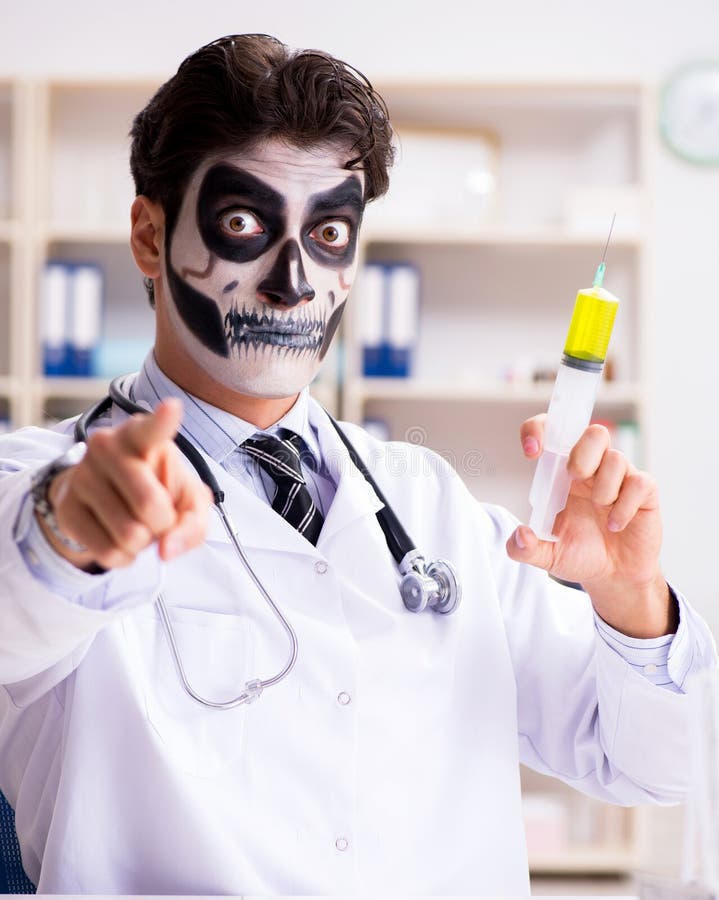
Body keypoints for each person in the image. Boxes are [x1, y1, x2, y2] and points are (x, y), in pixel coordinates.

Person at [0, 33, 715, 895]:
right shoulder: (37, 483)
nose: (293, 281)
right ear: (149, 237)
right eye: (242, 224)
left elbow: (655, 768)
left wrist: (628, 600)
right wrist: (72, 532)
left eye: (329, 231)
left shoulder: (430, 506)